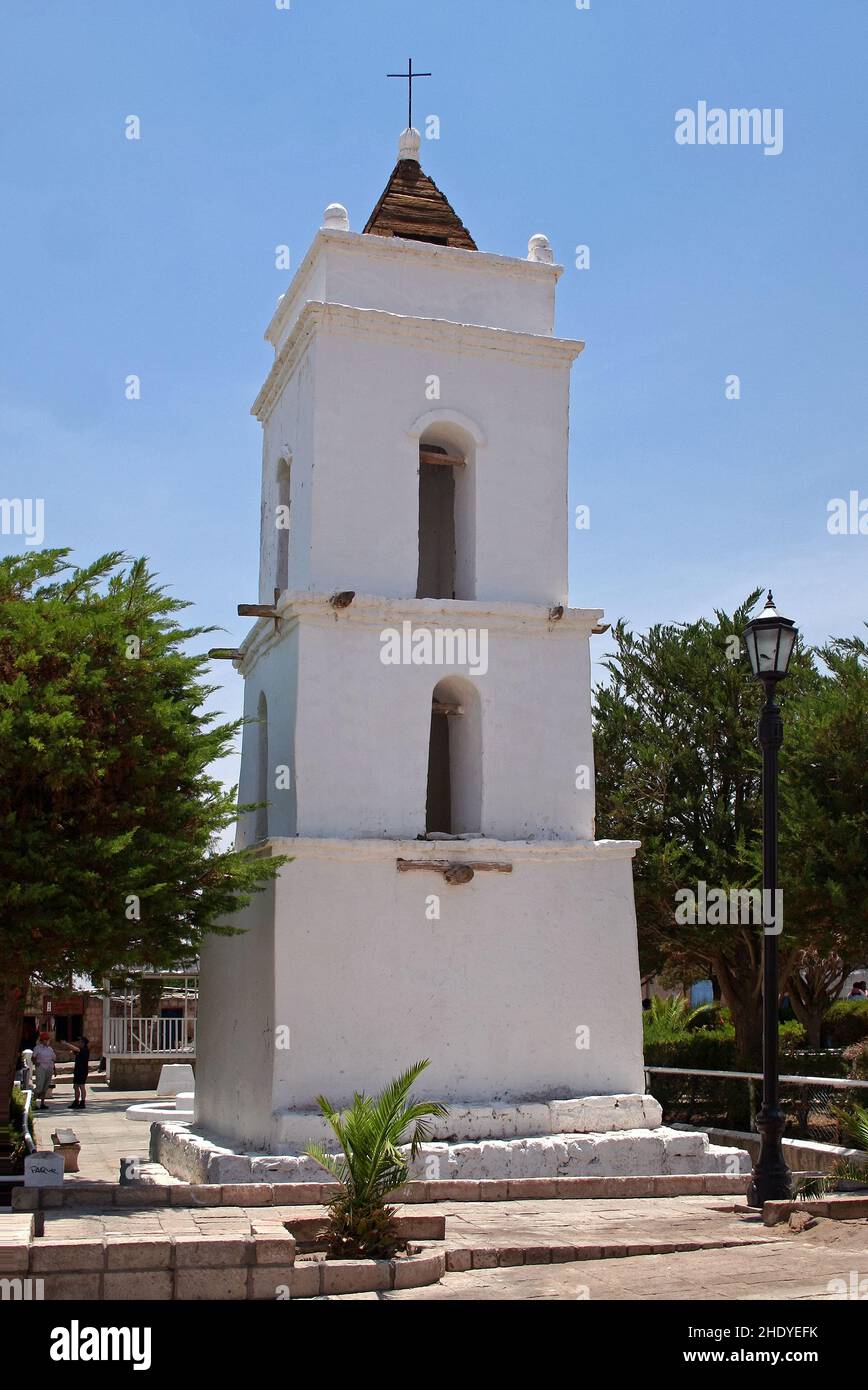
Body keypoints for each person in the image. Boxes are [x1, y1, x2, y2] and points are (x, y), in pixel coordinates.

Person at [61, 1035, 91, 1109]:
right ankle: (76, 1101)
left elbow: (74, 1048)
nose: (78, 1043)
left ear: (83, 1043)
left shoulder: (84, 1050)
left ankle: (83, 1102)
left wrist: (66, 1043)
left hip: (82, 1071)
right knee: (75, 1086)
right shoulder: (78, 1050)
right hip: (77, 1070)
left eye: (80, 1042)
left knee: (81, 1086)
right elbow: (70, 1052)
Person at [32, 1033, 57, 1109]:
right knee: (39, 1086)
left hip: (49, 1068)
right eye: (45, 1039)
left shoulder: (50, 1049)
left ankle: (42, 1103)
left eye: (48, 1039)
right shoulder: (37, 1048)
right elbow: (33, 1058)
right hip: (41, 1068)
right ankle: (33, 1103)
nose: (47, 1041)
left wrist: (54, 1069)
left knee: (45, 1086)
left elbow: (52, 1060)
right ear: (42, 1040)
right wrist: (37, 1064)